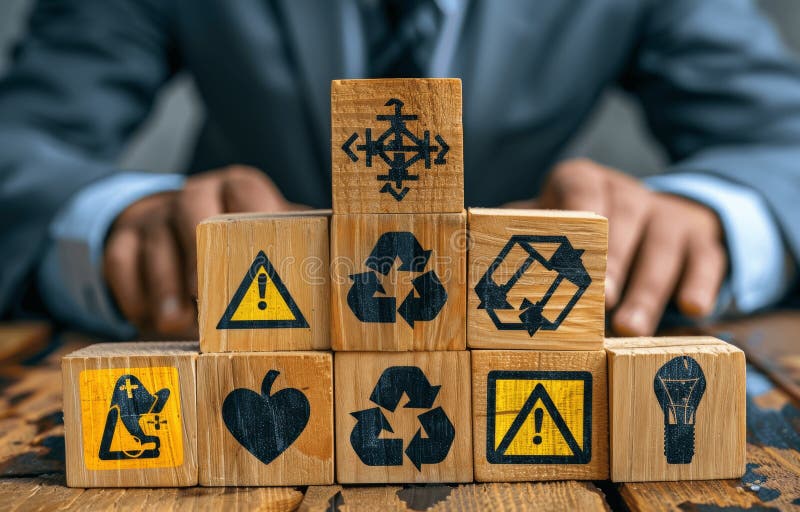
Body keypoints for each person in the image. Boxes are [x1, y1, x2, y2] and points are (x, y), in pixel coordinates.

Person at [0, 0, 798, 340]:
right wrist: (106, 221)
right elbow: (21, 140)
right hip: (224, 320)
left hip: (525, 320)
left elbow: (784, 142)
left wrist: (716, 216)